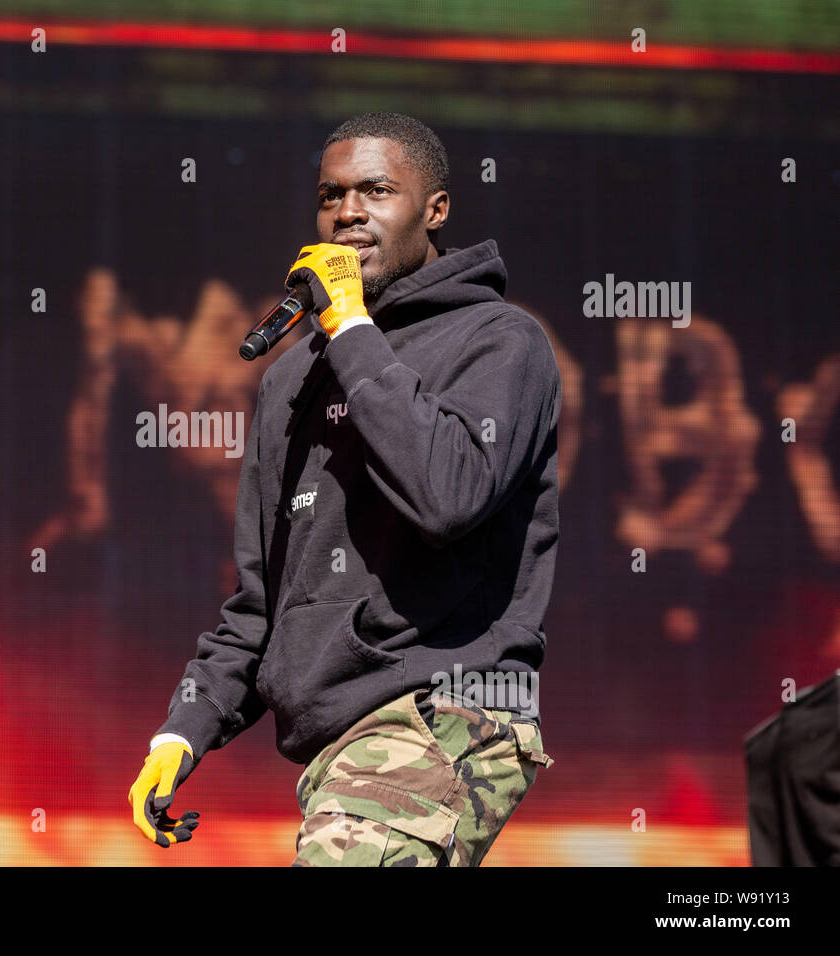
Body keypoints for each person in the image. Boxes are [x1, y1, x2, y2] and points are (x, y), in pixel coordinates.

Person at [127, 112, 560, 866]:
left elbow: (447, 494)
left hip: (448, 709)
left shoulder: (500, 341)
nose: (348, 212)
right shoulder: (294, 377)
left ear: (436, 210)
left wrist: (353, 330)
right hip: (342, 742)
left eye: (376, 191)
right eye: (331, 195)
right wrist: (182, 730)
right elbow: (259, 606)